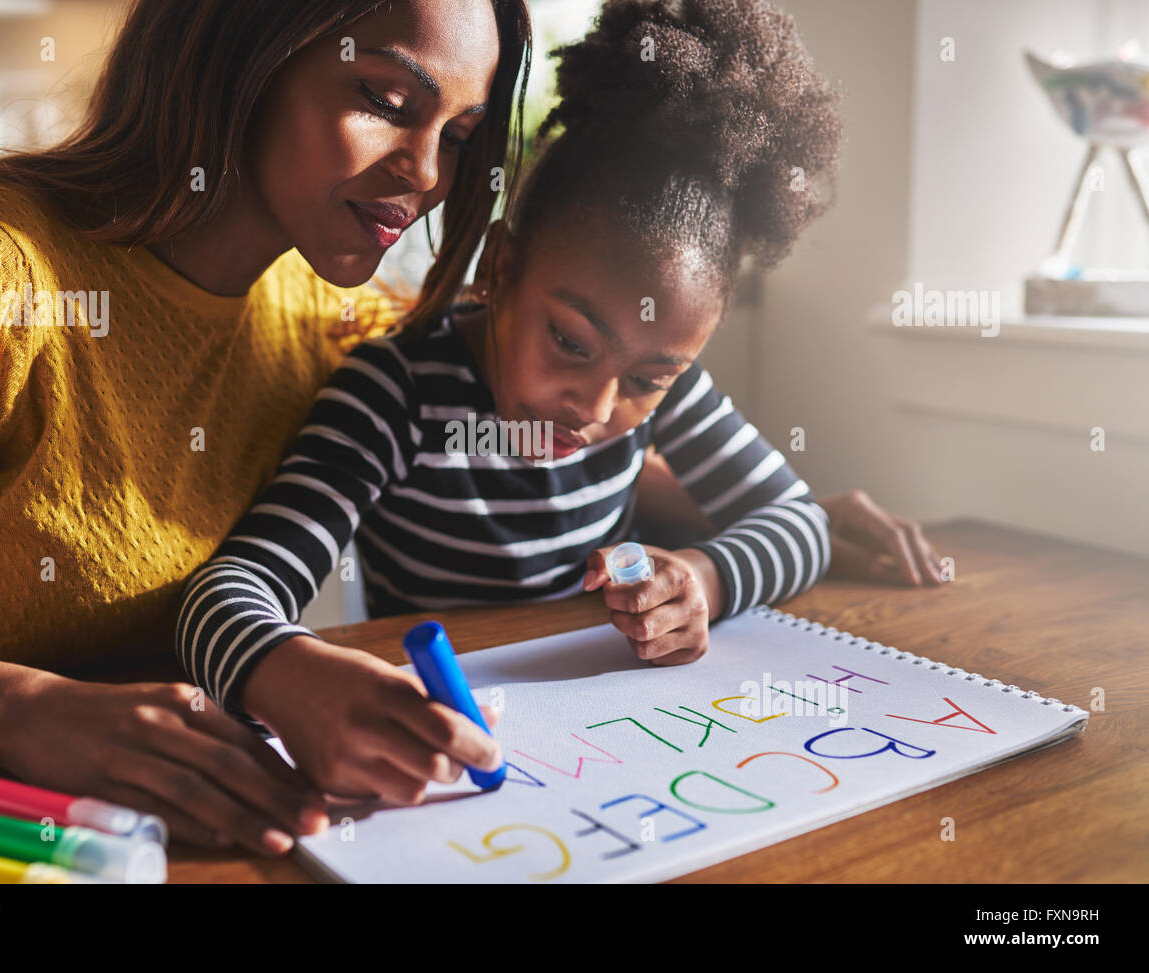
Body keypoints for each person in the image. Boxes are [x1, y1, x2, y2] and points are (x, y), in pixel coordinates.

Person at [0, 0, 534, 855]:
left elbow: (539, 415)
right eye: (387, 100)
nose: (428, 172)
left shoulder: (324, 317)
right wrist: (24, 711)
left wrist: (689, 560)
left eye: (460, 137)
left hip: (146, 838)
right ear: (242, 50)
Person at [178, 0, 885, 809]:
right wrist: (287, 671)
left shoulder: (655, 393)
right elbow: (226, 591)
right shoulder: (395, 393)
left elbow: (800, 522)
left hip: (608, 750)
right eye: (570, 342)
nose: (597, 403)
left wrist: (706, 578)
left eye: (652, 375)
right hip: (455, 751)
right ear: (502, 266)